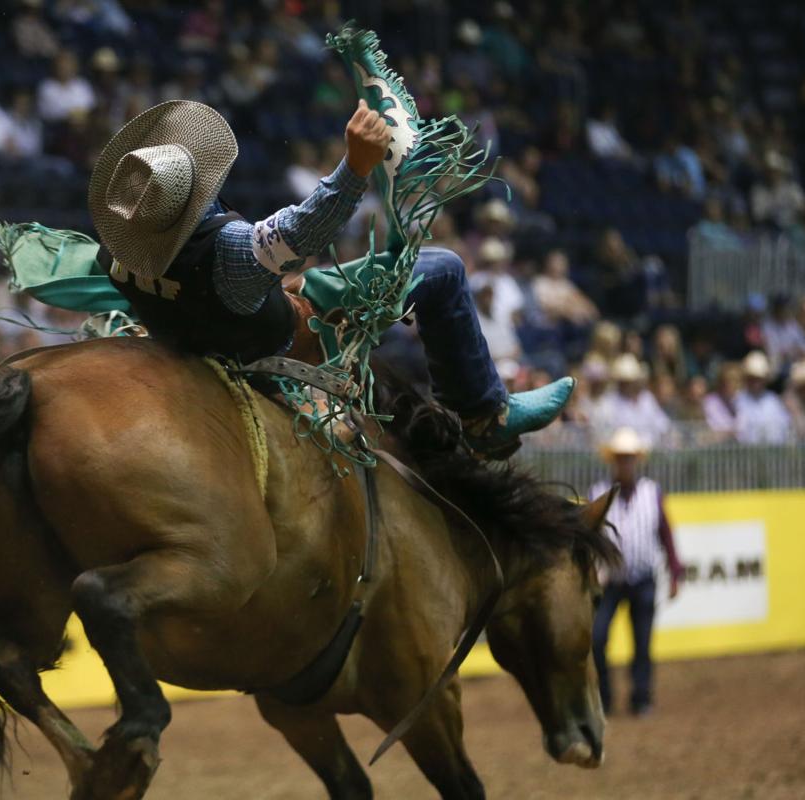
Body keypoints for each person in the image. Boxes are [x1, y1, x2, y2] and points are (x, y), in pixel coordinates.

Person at [87, 100, 573, 459]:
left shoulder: (118, 244)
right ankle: (486, 415)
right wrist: (355, 165)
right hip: (281, 339)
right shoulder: (231, 251)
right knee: (443, 267)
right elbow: (304, 227)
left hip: (193, 333)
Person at [590, 427, 682, 716]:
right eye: (620, 458)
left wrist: (675, 572)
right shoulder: (598, 493)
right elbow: (587, 537)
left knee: (642, 643)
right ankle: (603, 698)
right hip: (609, 581)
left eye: (629, 458)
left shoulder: (651, 493)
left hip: (643, 578)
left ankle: (641, 697)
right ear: (613, 460)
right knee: (597, 638)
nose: (625, 463)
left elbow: (665, 533)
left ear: (636, 460)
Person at [735, 350, 791, 444]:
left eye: (759, 379)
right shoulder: (738, 399)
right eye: (752, 378)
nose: (755, 382)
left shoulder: (773, 400)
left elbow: (784, 424)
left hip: (772, 451)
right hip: (745, 452)